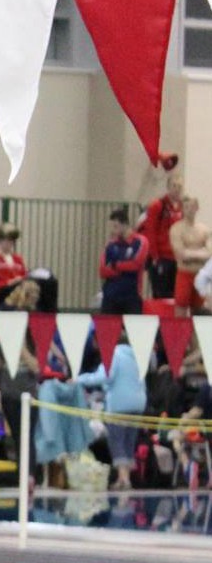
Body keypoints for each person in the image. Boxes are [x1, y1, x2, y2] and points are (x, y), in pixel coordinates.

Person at [78, 328, 146, 491]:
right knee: (129, 441)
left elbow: (105, 376)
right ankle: (126, 477)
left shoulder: (114, 354)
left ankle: (124, 479)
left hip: (120, 404)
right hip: (139, 402)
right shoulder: (136, 355)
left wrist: (79, 379)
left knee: (117, 440)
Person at [140, 172, 184, 300]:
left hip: (177, 258)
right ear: (168, 187)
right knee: (161, 294)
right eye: (174, 186)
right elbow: (150, 231)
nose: (177, 189)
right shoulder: (158, 206)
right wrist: (154, 256)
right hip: (161, 258)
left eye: (179, 187)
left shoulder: (182, 208)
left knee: (176, 295)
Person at [99, 207, 148, 315]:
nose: (113, 231)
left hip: (131, 295)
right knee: (107, 329)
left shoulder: (140, 241)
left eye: (115, 226)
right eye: (111, 227)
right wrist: (123, 267)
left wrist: (115, 265)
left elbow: (136, 264)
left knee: (134, 330)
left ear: (125, 224)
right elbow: (103, 270)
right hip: (111, 295)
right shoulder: (111, 244)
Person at [171, 195, 209, 317]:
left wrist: (189, 252)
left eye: (192, 206)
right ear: (182, 209)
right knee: (180, 313)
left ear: (197, 208)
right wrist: (201, 251)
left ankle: (195, 337)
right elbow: (181, 254)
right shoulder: (176, 229)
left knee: (200, 314)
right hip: (184, 274)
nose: (189, 210)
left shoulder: (204, 230)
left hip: (200, 275)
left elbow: (210, 254)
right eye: (186, 207)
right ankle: (179, 336)